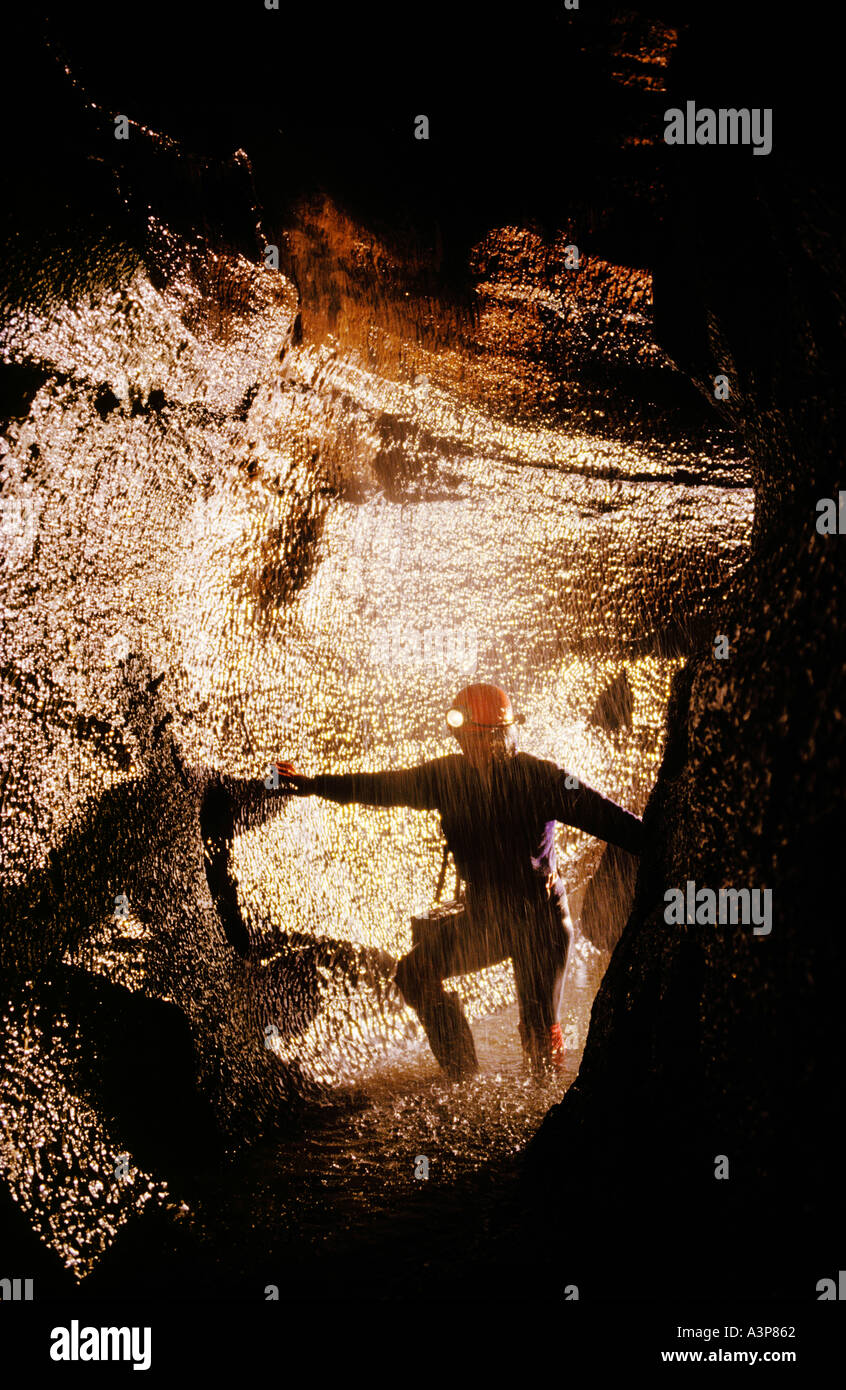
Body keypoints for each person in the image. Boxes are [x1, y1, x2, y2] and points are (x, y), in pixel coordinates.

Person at [278, 682, 643, 1080]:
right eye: (463, 738)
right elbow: (382, 786)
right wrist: (315, 785)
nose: (470, 748)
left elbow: (610, 820)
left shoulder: (541, 779)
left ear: (500, 736)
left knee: (537, 1035)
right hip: (488, 919)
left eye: (479, 738)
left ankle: (550, 1094)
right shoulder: (447, 778)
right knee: (414, 973)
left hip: (540, 924)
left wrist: (659, 845)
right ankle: (463, 1075)